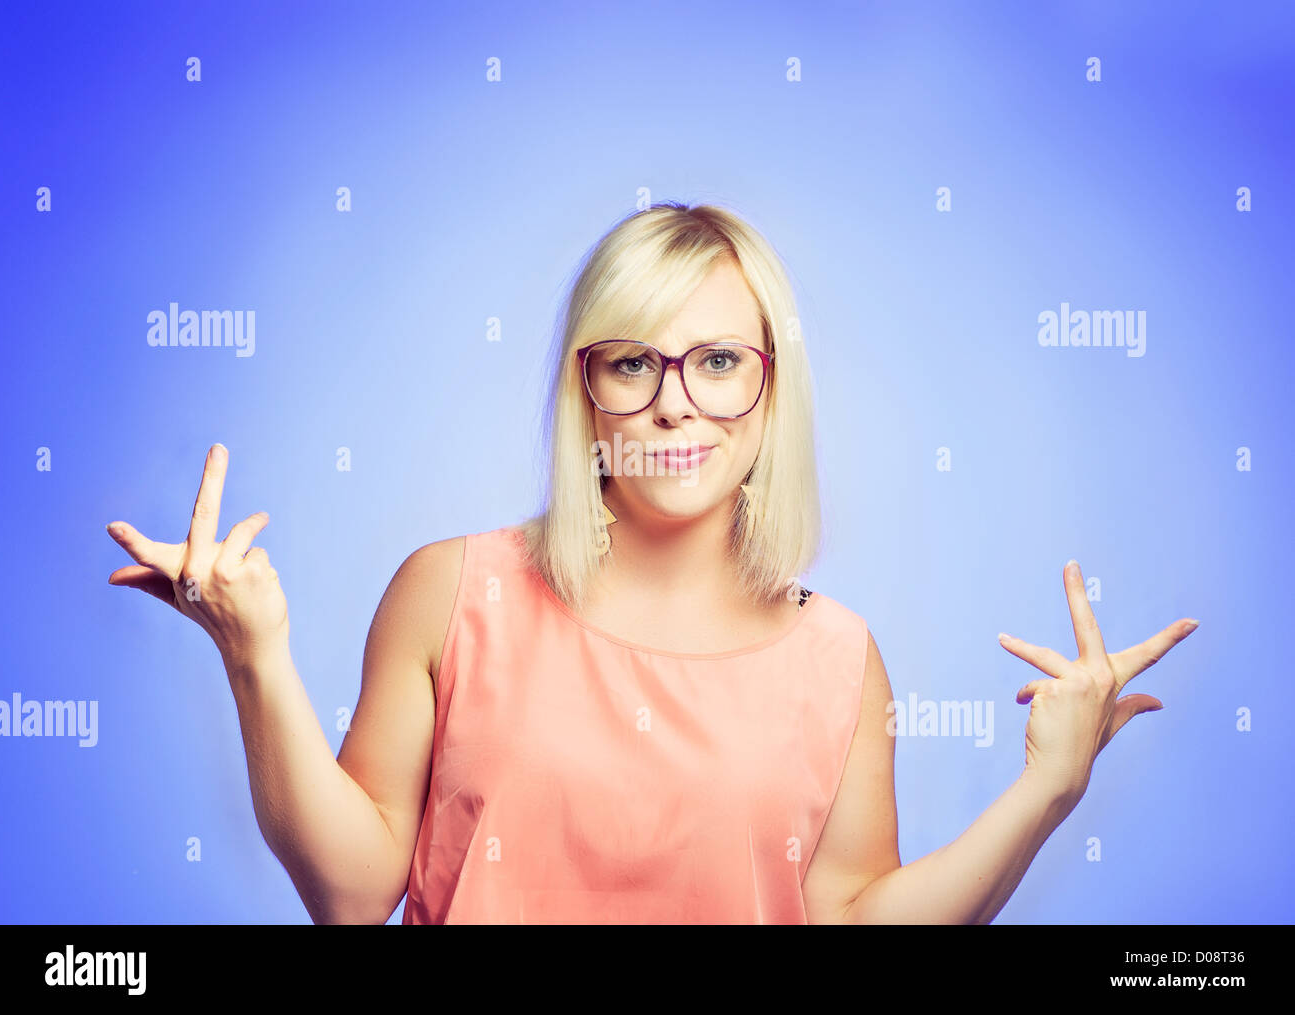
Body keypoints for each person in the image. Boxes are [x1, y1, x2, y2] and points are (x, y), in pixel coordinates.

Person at [105, 202, 1199, 924]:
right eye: (632, 360)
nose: (674, 397)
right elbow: (351, 892)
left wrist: (1047, 790)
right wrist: (257, 657)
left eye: (719, 360)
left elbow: (858, 917)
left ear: (771, 392)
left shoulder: (838, 656)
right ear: (587, 388)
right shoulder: (451, 591)